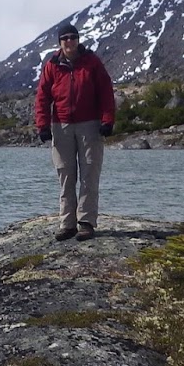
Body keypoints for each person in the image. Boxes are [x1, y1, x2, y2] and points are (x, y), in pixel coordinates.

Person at [34, 23, 115, 241]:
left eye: (73, 37)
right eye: (65, 38)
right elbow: (42, 97)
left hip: (90, 124)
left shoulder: (92, 62)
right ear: (60, 42)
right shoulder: (52, 65)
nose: (69, 41)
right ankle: (67, 223)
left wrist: (107, 120)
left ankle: (86, 222)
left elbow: (106, 91)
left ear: (78, 40)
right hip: (61, 126)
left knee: (89, 172)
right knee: (65, 174)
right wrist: (42, 125)